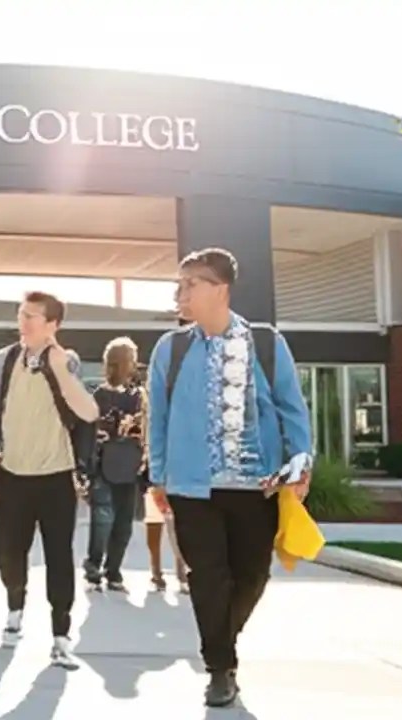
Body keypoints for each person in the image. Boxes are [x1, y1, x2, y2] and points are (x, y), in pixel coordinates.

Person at [147, 247, 313, 708]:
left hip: (256, 486)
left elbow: (290, 408)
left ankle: (222, 639)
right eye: (179, 286)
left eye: (191, 284)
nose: (181, 294)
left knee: (252, 575)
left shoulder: (265, 343)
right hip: (191, 486)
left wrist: (301, 464)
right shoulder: (172, 348)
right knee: (207, 577)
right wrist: (157, 476)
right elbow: (156, 416)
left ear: (220, 288)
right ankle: (220, 668)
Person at [0, 291, 98, 667]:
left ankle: (61, 634)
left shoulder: (66, 360)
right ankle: (14, 606)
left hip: (56, 476)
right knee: (9, 555)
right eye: (22, 313)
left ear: (53, 325)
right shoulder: (5, 359)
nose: (24, 321)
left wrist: (60, 367)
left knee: (59, 557)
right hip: (12, 474)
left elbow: (87, 412)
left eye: (33, 316)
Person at [83, 337, 147, 593]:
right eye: (132, 357)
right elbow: (93, 431)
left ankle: (114, 571)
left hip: (130, 464)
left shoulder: (138, 395)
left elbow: (143, 429)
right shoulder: (100, 395)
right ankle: (94, 566)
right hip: (104, 464)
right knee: (102, 518)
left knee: (124, 522)